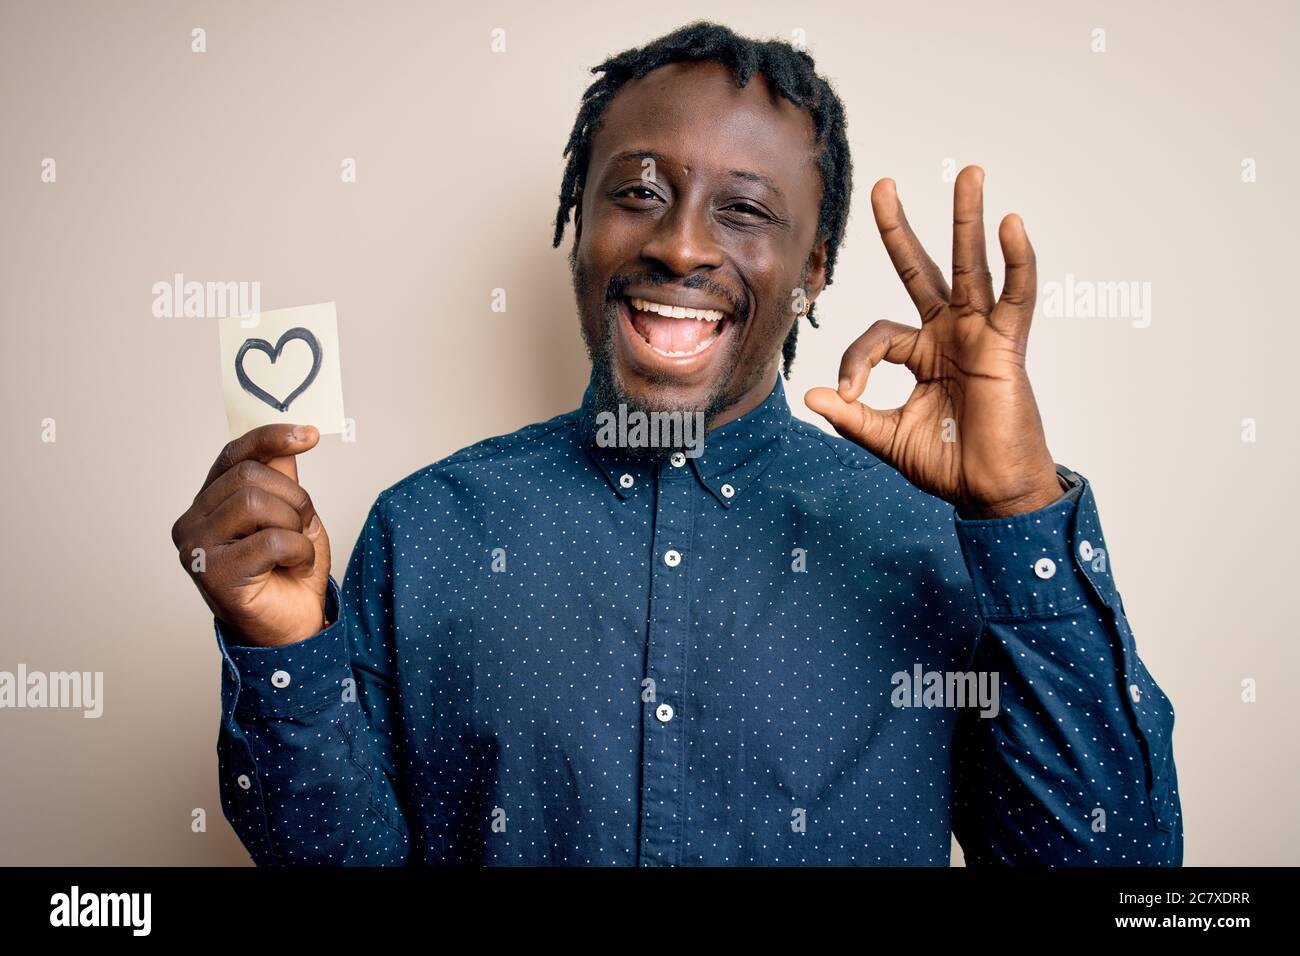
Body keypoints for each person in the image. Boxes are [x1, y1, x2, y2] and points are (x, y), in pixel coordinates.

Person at [170, 21, 1182, 865]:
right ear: (580, 220)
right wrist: (283, 646)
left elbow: (1119, 871)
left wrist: (1018, 509)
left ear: (813, 270)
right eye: (638, 192)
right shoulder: (427, 527)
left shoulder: (932, 542)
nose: (683, 243)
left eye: (743, 210)